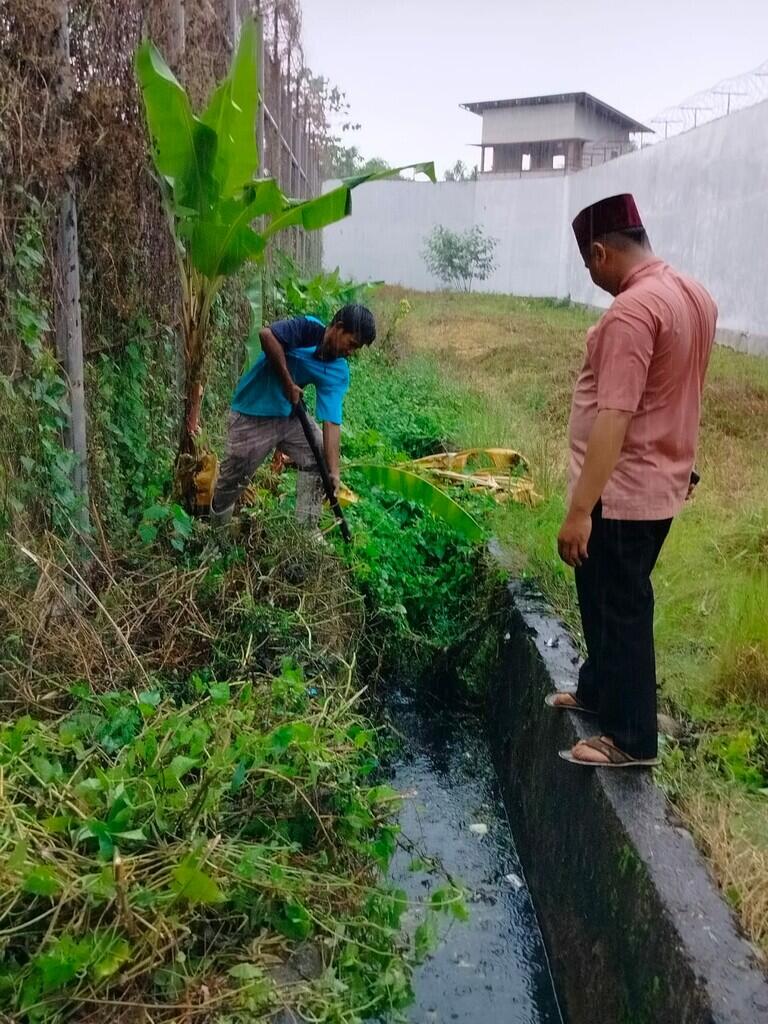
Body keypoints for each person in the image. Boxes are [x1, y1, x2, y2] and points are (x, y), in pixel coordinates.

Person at [551, 194, 717, 768]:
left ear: (600, 252)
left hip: (620, 493)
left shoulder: (630, 311)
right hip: (661, 482)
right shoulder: (694, 297)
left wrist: (579, 510)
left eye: (590, 266)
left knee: (621, 605)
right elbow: (683, 387)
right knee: (599, 596)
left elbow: (614, 414)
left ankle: (631, 738)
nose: (594, 278)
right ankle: (598, 691)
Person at [210, 304, 376, 528]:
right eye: (352, 344)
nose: (350, 352)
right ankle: (216, 533)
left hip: (289, 417)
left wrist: (334, 472)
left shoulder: (338, 369)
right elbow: (266, 335)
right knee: (233, 477)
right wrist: (288, 383)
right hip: (252, 413)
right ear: (338, 327)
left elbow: (332, 422)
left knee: (319, 454)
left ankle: (307, 528)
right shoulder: (307, 329)